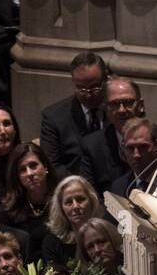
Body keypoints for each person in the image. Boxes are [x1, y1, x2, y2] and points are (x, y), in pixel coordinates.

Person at [78, 77, 157, 194]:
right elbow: (89, 195)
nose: (122, 110)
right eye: (114, 104)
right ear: (106, 109)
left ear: (141, 105)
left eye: (128, 102)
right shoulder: (92, 146)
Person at [39, 51, 108, 180]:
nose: (88, 94)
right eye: (81, 88)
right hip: (74, 188)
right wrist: (82, 186)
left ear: (106, 80)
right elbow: (52, 165)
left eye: (94, 87)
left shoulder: (116, 110)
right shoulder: (54, 118)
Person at [0, 142, 62, 257]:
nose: (29, 173)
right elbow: (0, 248)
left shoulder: (62, 197)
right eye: (22, 170)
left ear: (45, 167)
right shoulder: (9, 208)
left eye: (33, 166)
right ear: (17, 176)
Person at [42, 174, 104, 271]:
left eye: (80, 199)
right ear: (61, 208)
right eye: (68, 202)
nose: (75, 206)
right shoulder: (52, 243)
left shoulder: (107, 233)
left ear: (92, 201)